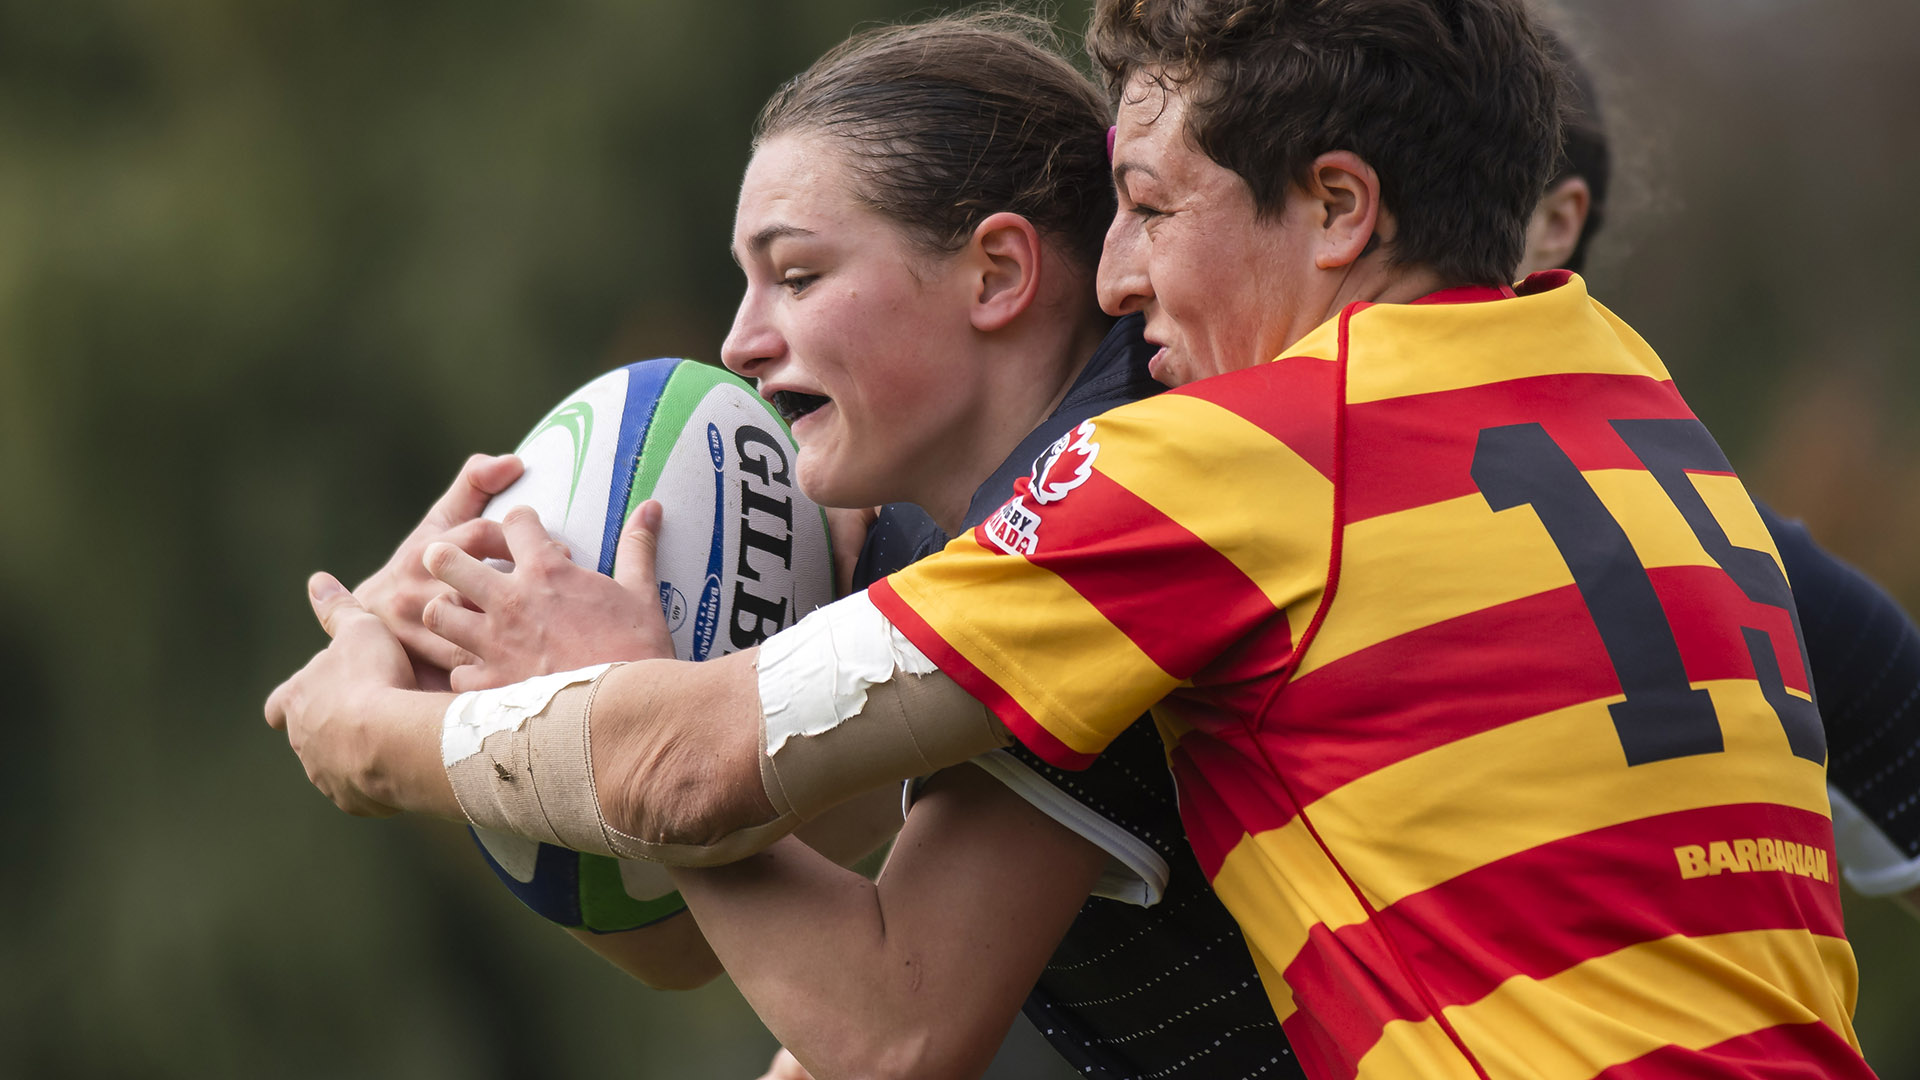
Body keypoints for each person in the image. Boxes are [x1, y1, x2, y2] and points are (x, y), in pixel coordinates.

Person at [267, 1, 1877, 1075]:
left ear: (1334, 209)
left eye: (1157, 210)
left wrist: (383, 726)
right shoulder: (1626, 388)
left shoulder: (1224, 470)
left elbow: (715, 810)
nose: (1120, 276)